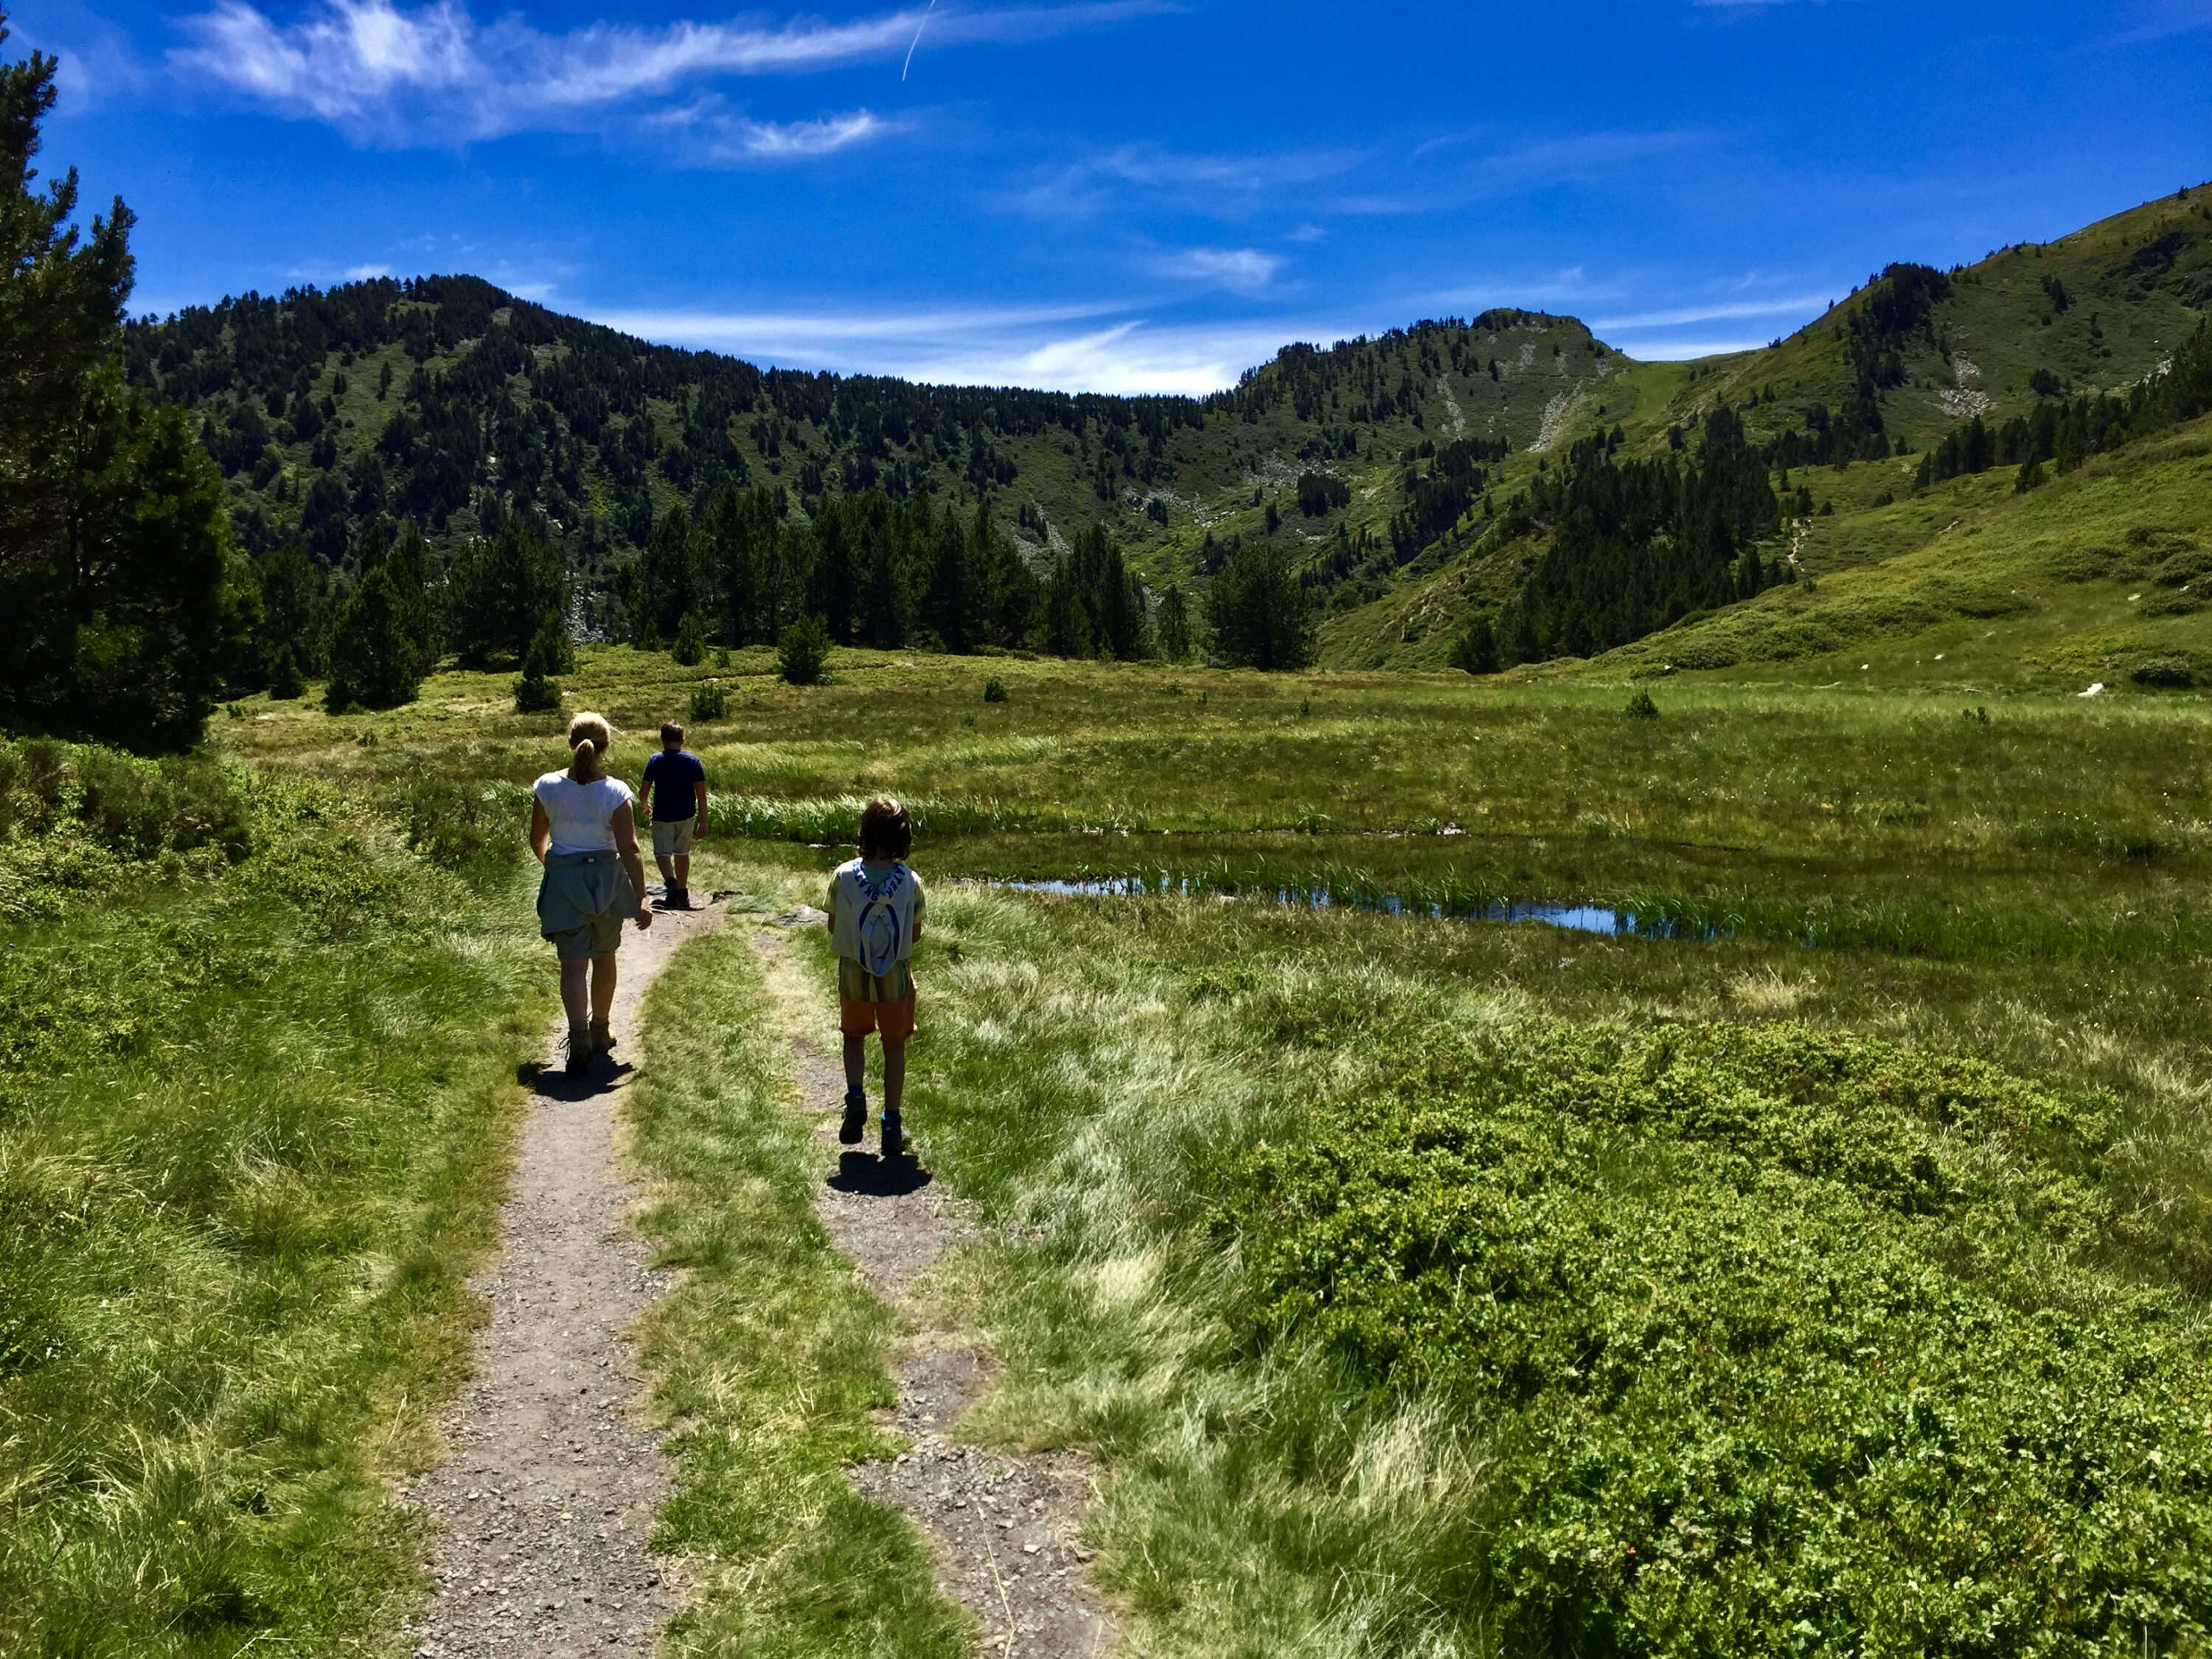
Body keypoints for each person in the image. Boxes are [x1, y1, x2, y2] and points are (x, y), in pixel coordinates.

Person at [529, 712, 653, 1076]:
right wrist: (642, 897)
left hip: (566, 879)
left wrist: (554, 869)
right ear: (606, 748)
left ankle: (579, 1037)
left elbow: (538, 838)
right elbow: (629, 848)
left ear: (570, 743)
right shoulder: (615, 791)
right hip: (608, 883)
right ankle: (601, 1030)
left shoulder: (547, 786)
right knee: (604, 956)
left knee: (572, 964)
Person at [827, 796, 925, 1158]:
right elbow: (913, 934)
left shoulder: (843, 875)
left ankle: (855, 1097)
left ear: (864, 833)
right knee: (893, 1045)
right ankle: (891, 1123)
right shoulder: (910, 881)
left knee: (853, 1036)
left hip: (854, 971)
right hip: (895, 977)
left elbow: (833, 924)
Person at [638, 721, 709, 910]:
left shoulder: (655, 760)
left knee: (662, 853)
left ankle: (671, 885)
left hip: (662, 815)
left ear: (663, 740)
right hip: (687, 815)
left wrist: (644, 805)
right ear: (682, 741)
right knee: (682, 853)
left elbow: (644, 790)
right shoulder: (693, 762)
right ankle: (683, 894)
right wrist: (704, 821)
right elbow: (701, 794)